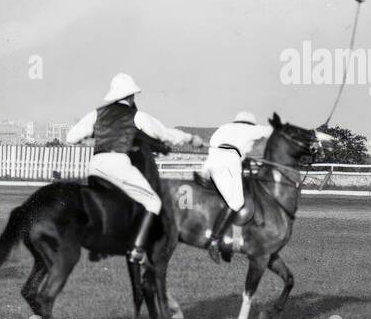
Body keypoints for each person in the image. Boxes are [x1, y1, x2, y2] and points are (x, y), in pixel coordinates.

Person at [64, 72, 203, 265]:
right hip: (118, 164)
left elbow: (70, 138)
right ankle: (137, 249)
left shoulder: (96, 114)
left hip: (95, 166)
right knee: (153, 202)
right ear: (130, 96)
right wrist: (190, 139)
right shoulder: (136, 115)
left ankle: (103, 241)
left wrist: (95, 133)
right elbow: (164, 134)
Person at [201, 110, 273, 262]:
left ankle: (228, 237)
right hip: (228, 162)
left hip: (210, 162)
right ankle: (214, 241)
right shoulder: (251, 130)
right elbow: (273, 130)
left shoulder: (224, 128)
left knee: (222, 198)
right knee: (236, 202)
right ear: (250, 123)